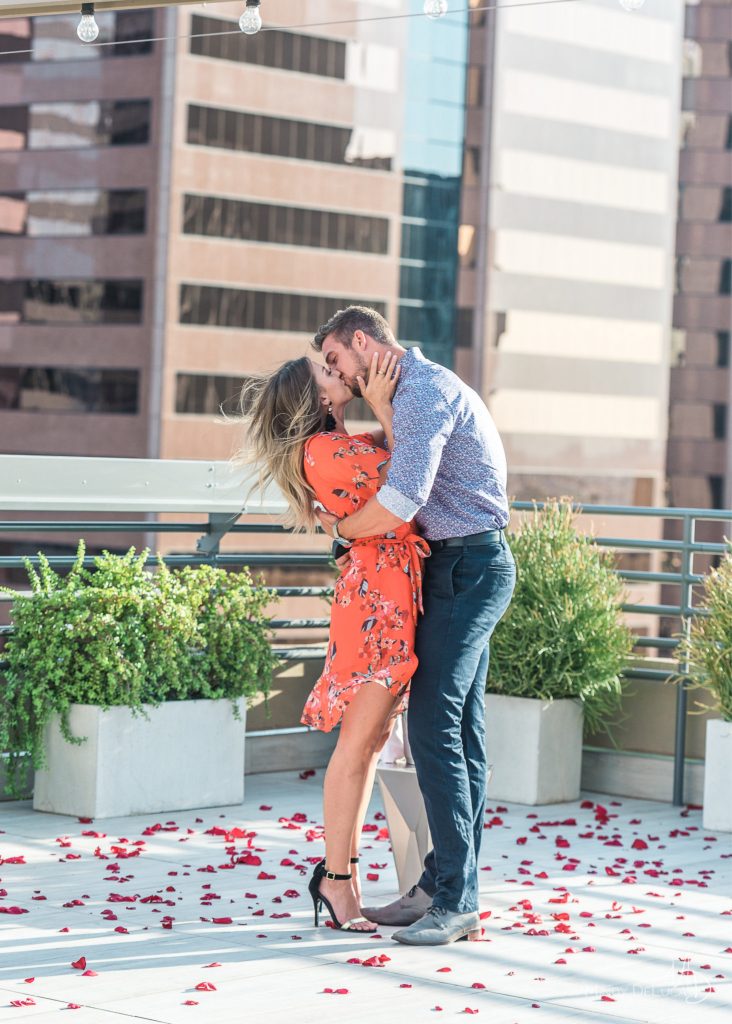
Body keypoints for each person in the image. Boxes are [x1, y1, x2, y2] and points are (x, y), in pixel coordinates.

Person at [313, 305, 516, 946]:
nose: (331, 372)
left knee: (433, 730)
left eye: (334, 359)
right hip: (460, 566)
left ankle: (455, 902)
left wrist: (341, 532)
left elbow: (401, 501)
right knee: (462, 734)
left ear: (363, 343)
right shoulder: (409, 393)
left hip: (465, 569)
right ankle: (443, 886)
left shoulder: (424, 394)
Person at [238, 354, 428, 934]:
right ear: (318, 399)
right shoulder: (326, 452)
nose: (337, 368)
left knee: (369, 744)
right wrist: (386, 408)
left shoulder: (340, 444)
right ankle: (339, 883)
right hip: (377, 606)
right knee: (358, 744)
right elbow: (412, 482)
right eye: (326, 369)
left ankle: (340, 878)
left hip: (383, 597)